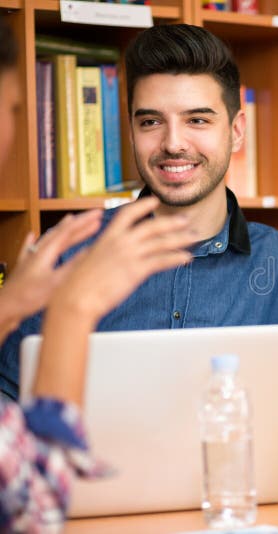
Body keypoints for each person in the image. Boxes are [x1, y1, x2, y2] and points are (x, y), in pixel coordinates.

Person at [0, 24, 278, 399]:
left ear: (236, 131)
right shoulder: (68, 255)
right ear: (131, 131)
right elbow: (8, 401)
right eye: (151, 122)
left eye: (197, 120)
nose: (173, 143)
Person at [0, 17, 197, 529]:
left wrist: (7, 308)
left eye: (197, 119)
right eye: (13, 108)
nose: (12, 131)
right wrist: (72, 308)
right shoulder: (71, 259)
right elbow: (32, 505)